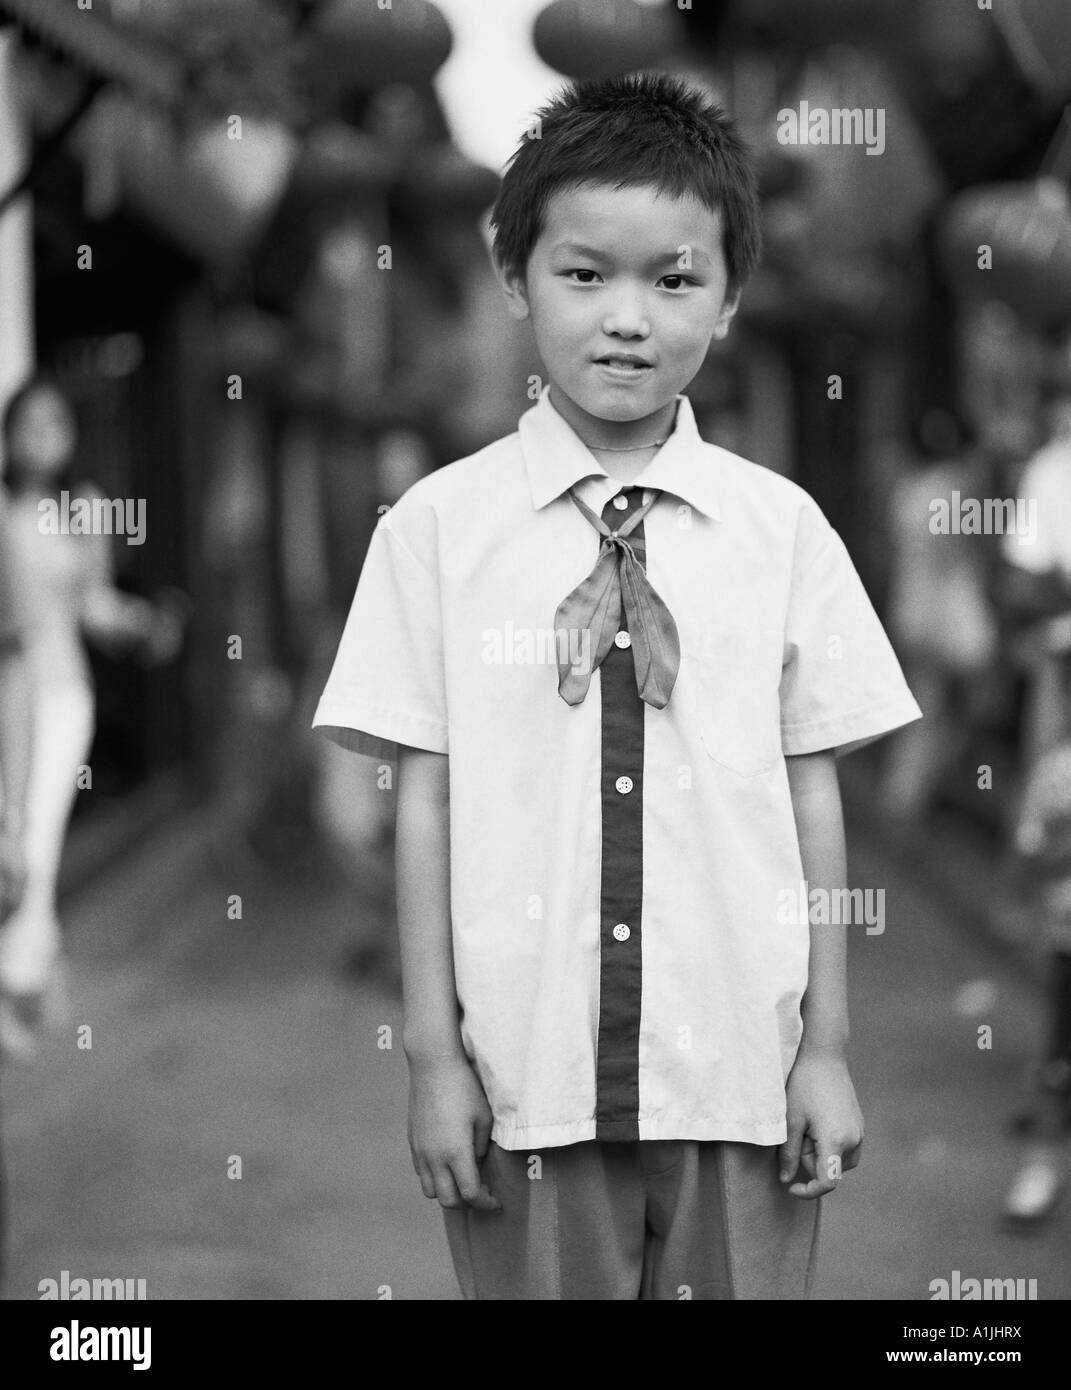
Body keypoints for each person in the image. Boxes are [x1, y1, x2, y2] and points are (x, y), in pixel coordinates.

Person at [313, 72, 922, 1301]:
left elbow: (813, 801)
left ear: (731, 296)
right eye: (584, 274)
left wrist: (830, 1052)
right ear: (514, 279)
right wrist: (435, 1059)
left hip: (739, 1081)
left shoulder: (783, 530)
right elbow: (423, 802)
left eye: (674, 278)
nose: (627, 317)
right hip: (524, 1086)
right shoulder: (436, 529)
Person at [0, 374, 184, 1058]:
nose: (41, 432)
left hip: (58, 695)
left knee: (35, 840)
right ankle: (44, 970)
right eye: (29, 420)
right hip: (6, 698)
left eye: (55, 420)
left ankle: (16, 986)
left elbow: (96, 606)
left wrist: (144, 624)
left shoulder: (83, 508)